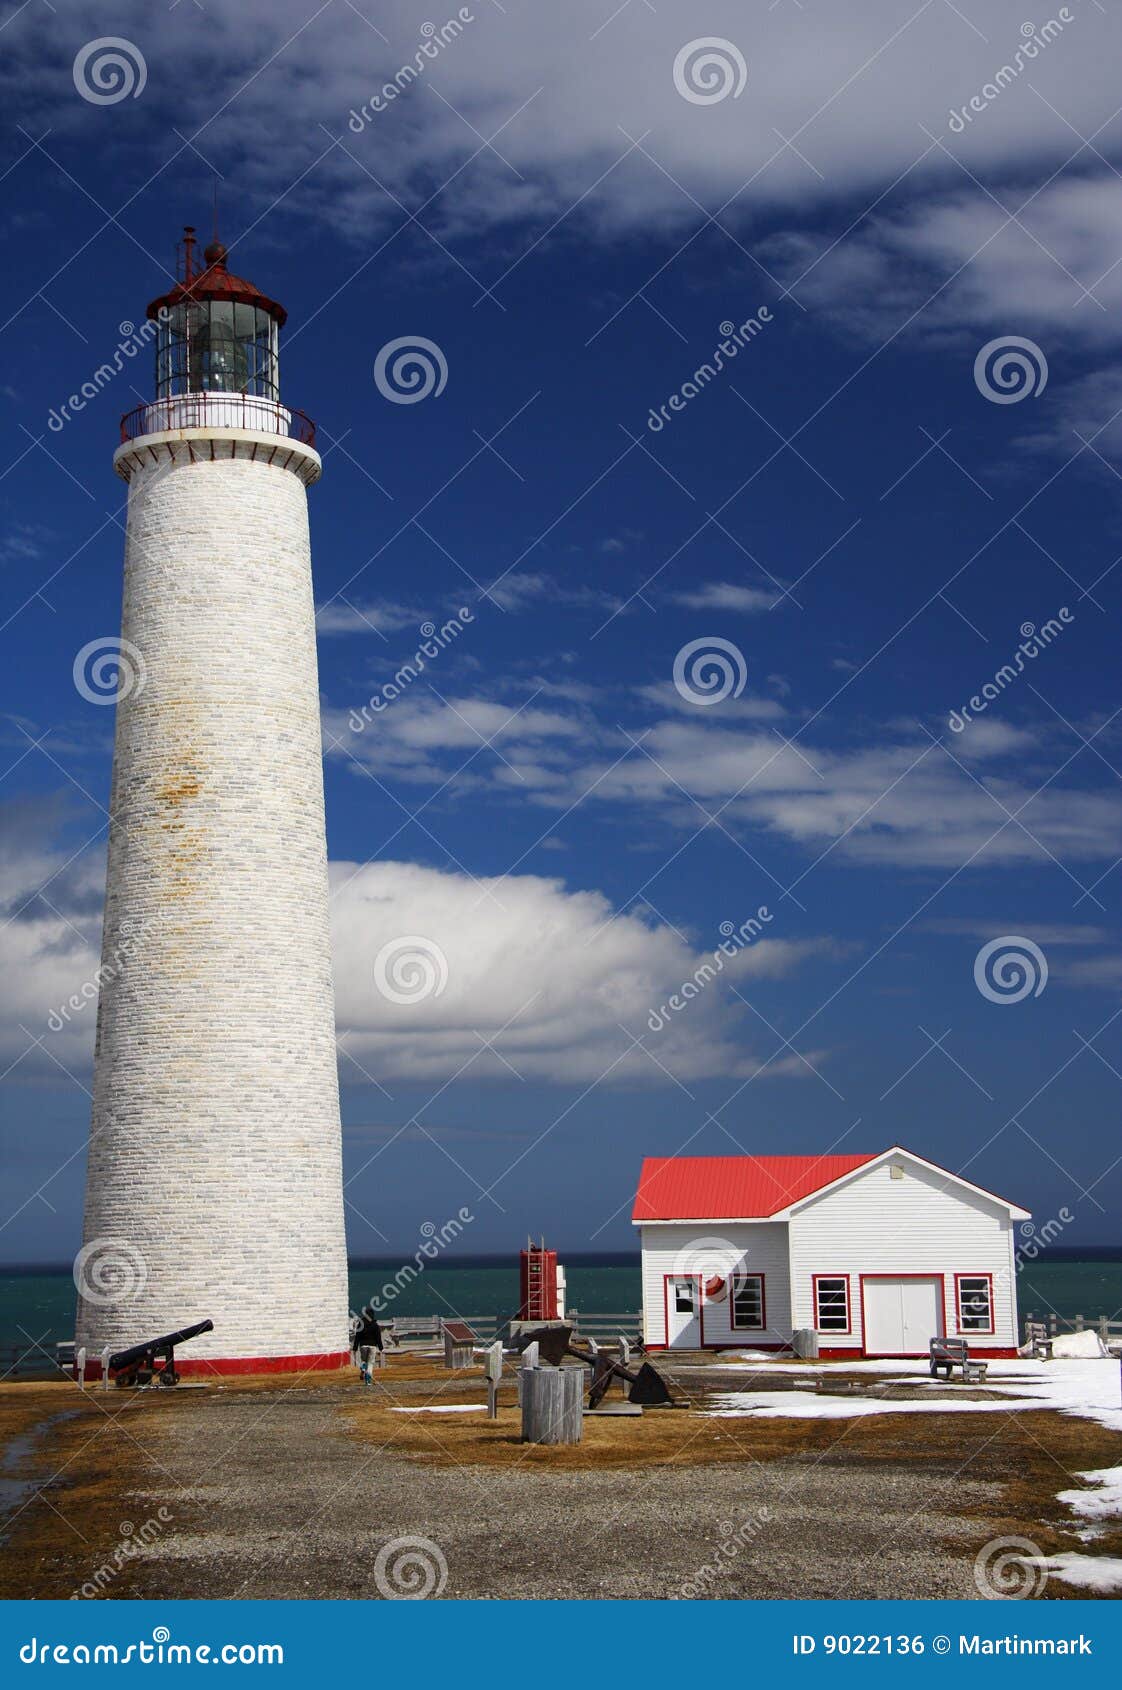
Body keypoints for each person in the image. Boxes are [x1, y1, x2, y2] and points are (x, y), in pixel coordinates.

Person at [352, 1311, 383, 1384]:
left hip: (363, 1345)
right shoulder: (375, 1325)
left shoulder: (361, 1324)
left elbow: (357, 1336)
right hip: (372, 1346)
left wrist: (355, 1348)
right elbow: (378, 1337)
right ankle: (368, 1381)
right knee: (370, 1363)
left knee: (364, 1360)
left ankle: (363, 1367)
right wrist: (381, 1348)